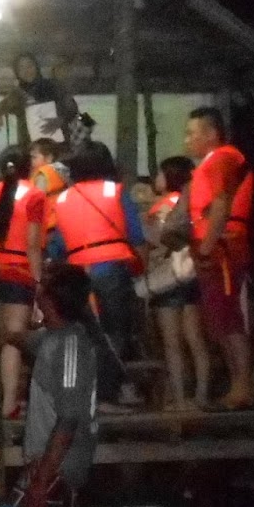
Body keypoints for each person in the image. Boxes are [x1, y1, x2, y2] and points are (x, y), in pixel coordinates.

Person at [3, 266, 127, 507]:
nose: (37, 290)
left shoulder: (69, 346)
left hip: (58, 458)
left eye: (42, 286)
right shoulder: (56, 337)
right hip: (49, 456)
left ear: (50, 299)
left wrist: (43, 480)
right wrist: (6, 333)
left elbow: (69, 419)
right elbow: (29, 341)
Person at [51, 142, 144, 406]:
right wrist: (141, 266)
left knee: (87, 333)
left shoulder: (64, 198)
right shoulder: (115, 191)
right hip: (112, 268)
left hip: (77, 272)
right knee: (116, 331)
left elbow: (57, 244)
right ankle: (109, 391)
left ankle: (85, 392)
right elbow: (135, 235)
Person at [183, 106, 254, 409]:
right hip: (215, 246)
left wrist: (205, 248)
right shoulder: (214, 162)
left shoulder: (223, 158)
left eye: (191, 133)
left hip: (221, 248)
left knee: (228, 318)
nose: (186, 140)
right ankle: (238, 385)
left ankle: (243, 386)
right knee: (219, 319)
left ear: (211, 134)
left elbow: (221, 204)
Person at [144, 156, 210, 412]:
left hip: (167, 277)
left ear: (170, 176)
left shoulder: (162, 207)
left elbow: (154, 242)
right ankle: (202, 394)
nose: (156, 179)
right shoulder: (190, 202)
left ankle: (180, 398)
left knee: (171, 343)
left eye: (160, 173)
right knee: (195, 338)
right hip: (190, 273)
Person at [0, 146, 46, 419]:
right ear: (29, 167)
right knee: (13, 339)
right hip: (18, 272)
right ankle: (8, 404)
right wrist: (38, 283)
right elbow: (34, 244)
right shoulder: (34, 195)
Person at [0, 53, 79, 146]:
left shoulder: (53, 86)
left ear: (36, 66)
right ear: (17, 73)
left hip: (57, 148)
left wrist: (60, 120)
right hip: (30, 150)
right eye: (21, 68)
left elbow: (72, 108)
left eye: (30, 65)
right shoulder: (16, 94)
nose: (26, 70)